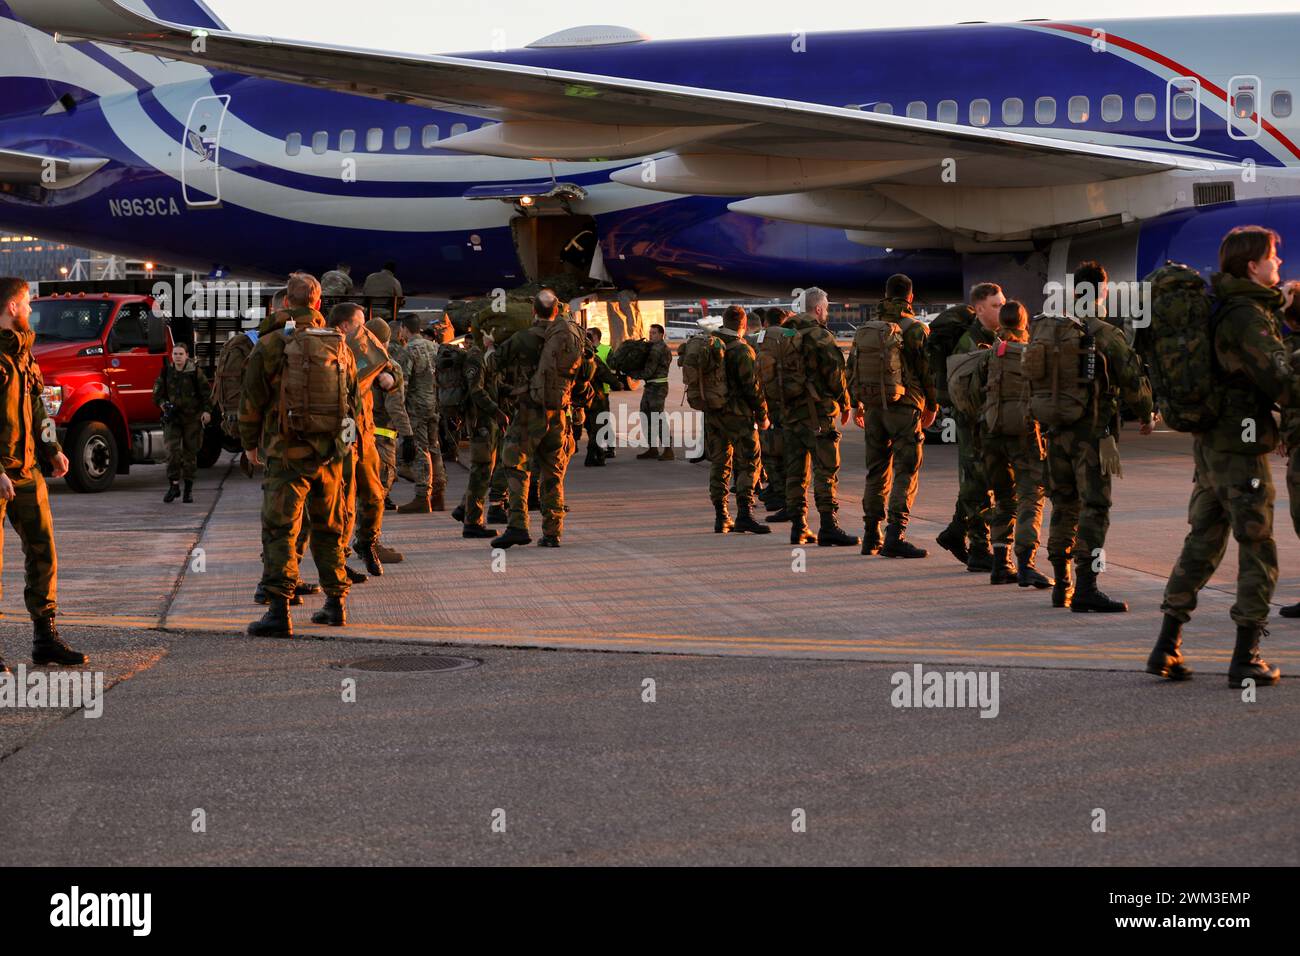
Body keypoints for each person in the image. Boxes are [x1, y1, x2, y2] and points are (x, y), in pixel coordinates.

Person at [1152, 227, 1298, 687]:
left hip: (1212, 445)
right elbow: (1283, 384)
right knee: (1257, 546)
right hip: (1241, 448)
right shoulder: (1245, 315)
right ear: (1252, 266)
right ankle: (1246, 657)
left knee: (1203, 541)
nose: (1279, 263)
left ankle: (1166, 645)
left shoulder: (1222, 305)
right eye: (1273, 257)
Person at [241, 272, 358, 637]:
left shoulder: (272, 343)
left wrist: (248, 443)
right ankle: (336, 604)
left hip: (286, 452)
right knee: (329, 528)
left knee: (281, 529)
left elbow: (252, 401)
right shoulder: (340, 344)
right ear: (319, 303)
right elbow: (352, 399)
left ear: (287, 303)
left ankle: (278, 610)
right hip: (330, 454)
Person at [1042, 261, 1154, 612]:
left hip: (1055, 430)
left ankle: (1061, 585)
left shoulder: (1052, 328)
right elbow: (1133, 382)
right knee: (1095, 507)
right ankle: (1087, 586)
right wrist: (1147, 412)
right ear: (1102, 291)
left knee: (1063, 504)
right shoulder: (1105, 333)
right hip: (1093, 434)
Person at [0, 277, 85, 671]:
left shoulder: (24, 355)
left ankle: (45, 638)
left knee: (43, 552)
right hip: (0, 473)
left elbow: (38, 408)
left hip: (28, 470)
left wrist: (53, 449)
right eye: (27, 304)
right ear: (11, 307)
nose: (31, 310)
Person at [852, 273, 936, 557]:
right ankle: (895, 535)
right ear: (910, 297)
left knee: (876, 470)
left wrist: (858, 405)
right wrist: (933, 405)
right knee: (905, 470)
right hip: (906, 408)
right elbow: (927, 372)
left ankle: (870, 534)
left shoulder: (868, 327)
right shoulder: (916, 329)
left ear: (886, 295)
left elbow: (852, 368)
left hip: (874, 407)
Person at [491, 290, 582, 548]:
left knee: (515, 464)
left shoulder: (521, 339)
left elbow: (494, 364)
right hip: (558, 412)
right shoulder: (566, 338)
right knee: (553, 470)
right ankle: (553, 532)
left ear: (534, 311)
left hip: (529, 412)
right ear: (557, 311)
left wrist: (489, 348)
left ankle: (518, 524)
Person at [978, 301, 1051, 587]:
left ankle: (1000, 564)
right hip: (1023, 432)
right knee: (1031, 496)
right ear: (1024, 324)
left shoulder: (991, 352)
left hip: (991, 430)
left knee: (1003, 499)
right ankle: (1026, 564)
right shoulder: (1030, 354)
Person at [935, 284, 1004, 570]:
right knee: (977, 484)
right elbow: (968, 395)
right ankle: (977, 547)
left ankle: (954, 533)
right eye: (996, 305)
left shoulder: (994, 337)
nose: (1002, 308)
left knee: (980, 483)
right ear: (979, 309)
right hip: (973, 425)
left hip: (989, 423)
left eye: (1003, 303)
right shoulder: (971, 343)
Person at [781, 288, 856, 546]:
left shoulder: (786, 333)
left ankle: (798, 526)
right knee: (825, 471)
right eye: (826, 307)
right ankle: (828, 526)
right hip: (817, 415)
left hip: (790, 414)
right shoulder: (820, 336)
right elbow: (836, 375)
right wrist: (846, 404)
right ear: (818, 309)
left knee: (795, 473)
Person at [329, 303, 401, 576]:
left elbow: (391, 371)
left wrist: (389, 376)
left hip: (365, 431)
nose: (365, 330)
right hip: (343, 432)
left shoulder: (362, 350)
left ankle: (368, 542)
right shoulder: (327, 349)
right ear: (345, 326)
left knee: (374, 493)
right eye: (360, 323)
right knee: (344, 500)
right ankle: (340, 559)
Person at [703, 305, 771, 534]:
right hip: (739, 417)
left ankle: (721, 516)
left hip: (714, 415)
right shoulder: (742, 351)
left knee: (720, 463)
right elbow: (752, 388)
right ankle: (745, 513)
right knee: (749, 462)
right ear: (743, 325)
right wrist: (762, 415)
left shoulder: (710, 345)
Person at [456, 323, 509, 537]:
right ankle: (472, 523)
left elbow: (493, 386)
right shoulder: (476, 358)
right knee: (481, 469)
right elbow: (476, 391)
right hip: (481, 423)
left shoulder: (487, 356)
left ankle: (466, 511)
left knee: (486, 468)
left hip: (489, 421)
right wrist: (496, 411)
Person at [393, 315, 446, 513]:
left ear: (405, 329)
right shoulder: (435, 347)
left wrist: (398, 410)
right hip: (435, 404)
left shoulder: (408, 351)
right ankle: (438, 493)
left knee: (420, 448)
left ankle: (422, 495)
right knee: (435, 447)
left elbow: (402, 384)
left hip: (417, 407)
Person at [153, 342, 212, 503]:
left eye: (180, 354)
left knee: (190, 455)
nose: (177, 357)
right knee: (172, 452)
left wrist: (207, 411)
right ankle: (174, 486)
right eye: (175, 354)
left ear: (187, 355)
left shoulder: (195, 373)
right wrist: (163, 404)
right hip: (173, 419)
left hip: (192, 419)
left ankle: (188, 489)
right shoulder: (166, 372)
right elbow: (157, 393)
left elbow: (206, 394)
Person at [370, 320, 411, 511]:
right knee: (385, 474)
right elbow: (395, 406)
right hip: (383, 432)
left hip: (358, 431)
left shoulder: (353, 361)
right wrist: (408, 435)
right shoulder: (388, 366)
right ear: (386, 340)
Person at [629, 323, 673, 460]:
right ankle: (652, 448)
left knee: (657, 418)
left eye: (654, 333)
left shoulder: (658, 349)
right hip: (650, 387)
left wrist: (633, 373)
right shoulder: (653, 347)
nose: (651, 335)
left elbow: (649, 371)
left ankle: (668, 450)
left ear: (661, 335)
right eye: (650, 332)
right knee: (645, 416)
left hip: (658, 387)